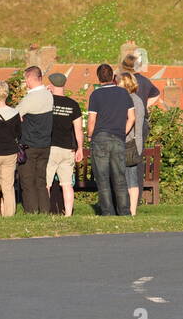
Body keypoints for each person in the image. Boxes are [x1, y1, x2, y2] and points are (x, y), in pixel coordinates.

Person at [86, 64, 135, 216]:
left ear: (98, 78)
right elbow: (132, 118)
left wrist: (89, 136)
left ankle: (107, 212)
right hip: (118, 138)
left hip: (100, 137)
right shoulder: (124, 93)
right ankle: (125, 212)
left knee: (102, 178)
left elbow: (92, 121)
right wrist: (122, 132)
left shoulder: (95, 95)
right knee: (120, 178)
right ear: (113, 77)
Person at [14, 66, 54, 214]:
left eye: (26, 79)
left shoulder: (30, 99)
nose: (25, 82)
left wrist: (22, 118)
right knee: (41, 181)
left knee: (27, 181)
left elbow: (14, 117)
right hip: (45, 145)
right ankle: (44, 210)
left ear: (30, 78)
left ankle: (31, 211)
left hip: (29, 145)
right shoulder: (49, 95)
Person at [47, 72, 84, 216]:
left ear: (51, 84)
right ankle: (68, 213)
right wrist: (80, 148)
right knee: (67, 184)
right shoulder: (73, 104)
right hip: (67, 149)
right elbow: (78, 129)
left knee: (47, 184)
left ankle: (46, 211)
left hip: (50, 147)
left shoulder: (47, 102)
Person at [0, 80, 20, 218]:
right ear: (6, 95)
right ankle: (9, 213)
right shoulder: (14, 113)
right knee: (8, 185)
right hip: (10, 152)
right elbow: (19, 134)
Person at [119, 72, 147, 216]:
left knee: (125, 178)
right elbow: (140, 126)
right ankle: (132, 210)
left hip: (125, 143)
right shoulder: (138, 100)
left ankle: (127, 209)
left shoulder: (127, 100)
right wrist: (139, 147)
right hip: (133, 143)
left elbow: (136, 123)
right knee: (132, 179)